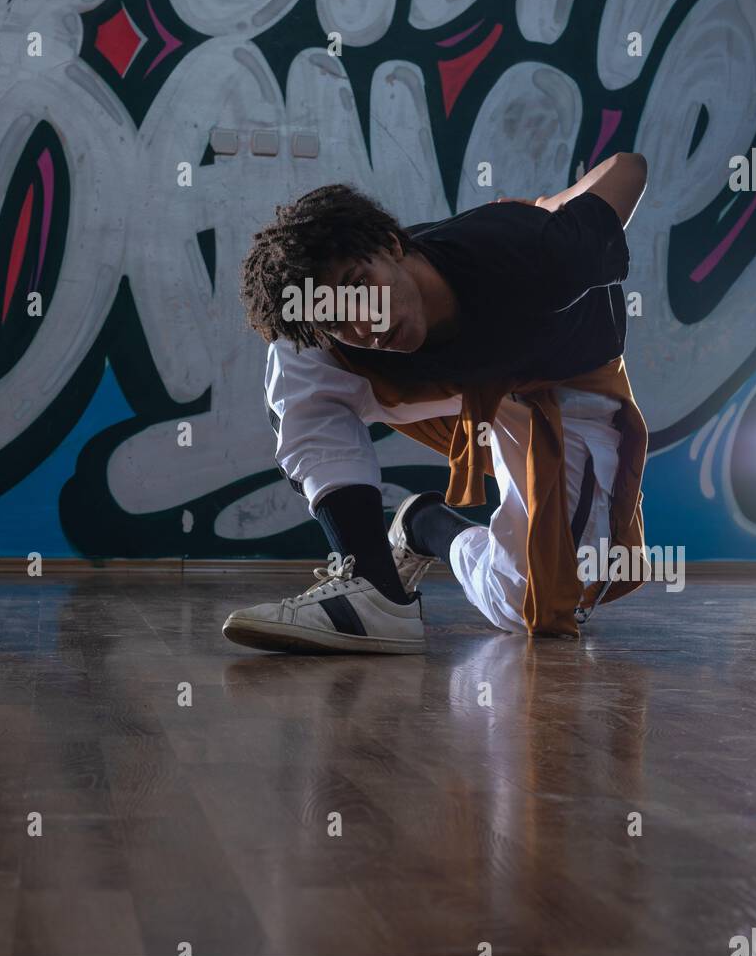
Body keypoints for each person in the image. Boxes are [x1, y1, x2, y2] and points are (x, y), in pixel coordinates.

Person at [223, 152, 649, 653]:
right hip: (450, 390)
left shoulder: (537, 254)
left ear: (391, 244)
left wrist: (550, 207)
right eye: (338, 318)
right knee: (295, 350)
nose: (366, 324)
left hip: (554, 387)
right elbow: (322, 333)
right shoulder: (347, 332)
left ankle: (428, 526)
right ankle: (373, 590)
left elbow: (630, 167)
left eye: (361, 288)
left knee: (532, 604)